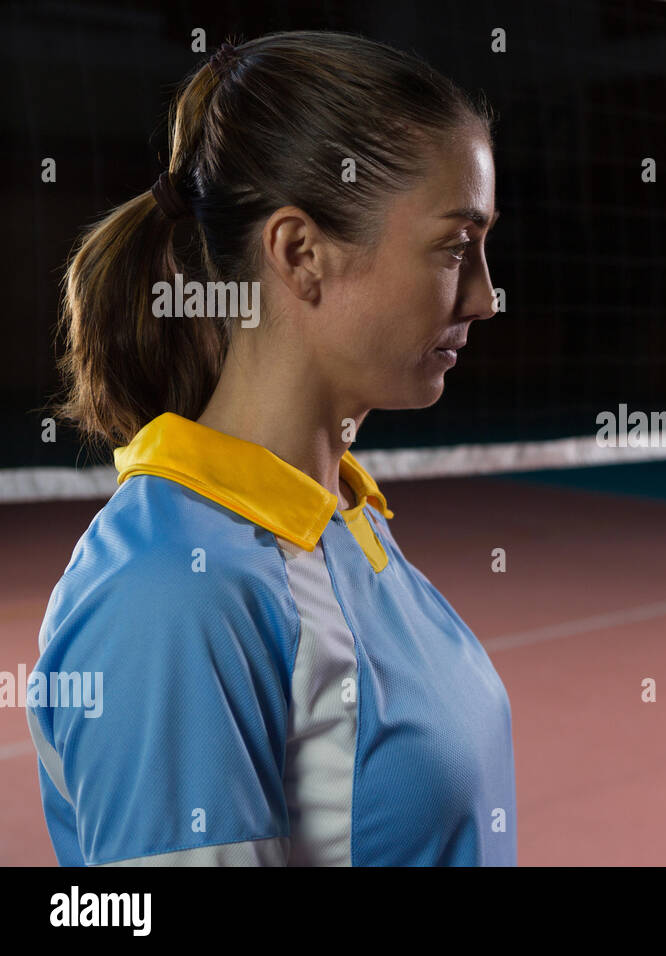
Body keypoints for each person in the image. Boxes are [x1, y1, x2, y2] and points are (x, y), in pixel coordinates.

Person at [26, 31, 513, 866]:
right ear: (301, 253)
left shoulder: (337, 516)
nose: (484, 295)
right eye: (455, 246)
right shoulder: (170, 598)